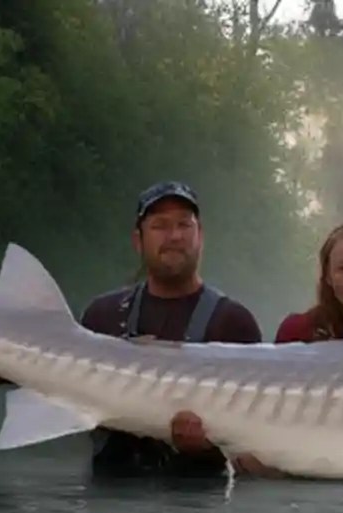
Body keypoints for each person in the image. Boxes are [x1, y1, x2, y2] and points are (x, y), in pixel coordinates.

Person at [79, 180, 264, 478]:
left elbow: (252, 443)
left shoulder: (234, 321)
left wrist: (206, 446)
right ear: (138, 240)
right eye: (160, 226)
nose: (174, 236)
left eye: (184, 224)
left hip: (198, 509)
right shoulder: (102, 316)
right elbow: (56, 381)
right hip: (108, 502)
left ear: (200, 236)